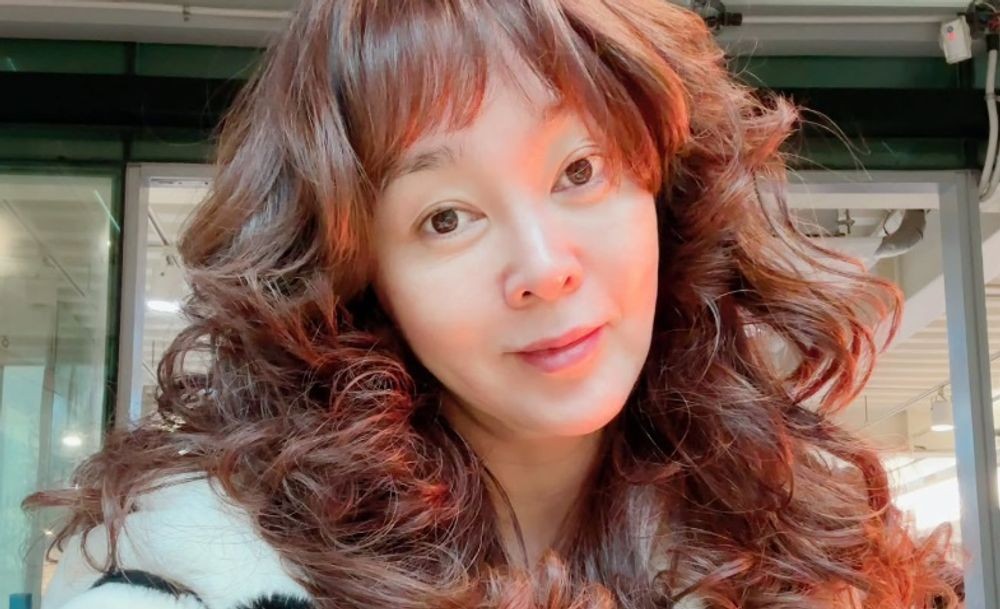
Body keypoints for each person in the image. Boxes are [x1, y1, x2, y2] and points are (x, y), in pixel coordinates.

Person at [27, 1, 965, 608]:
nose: (543, 268)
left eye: (580, 170)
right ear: (357, 278)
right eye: (446, 217)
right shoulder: (201, 574)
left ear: (666, 187)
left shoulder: (816, 551)